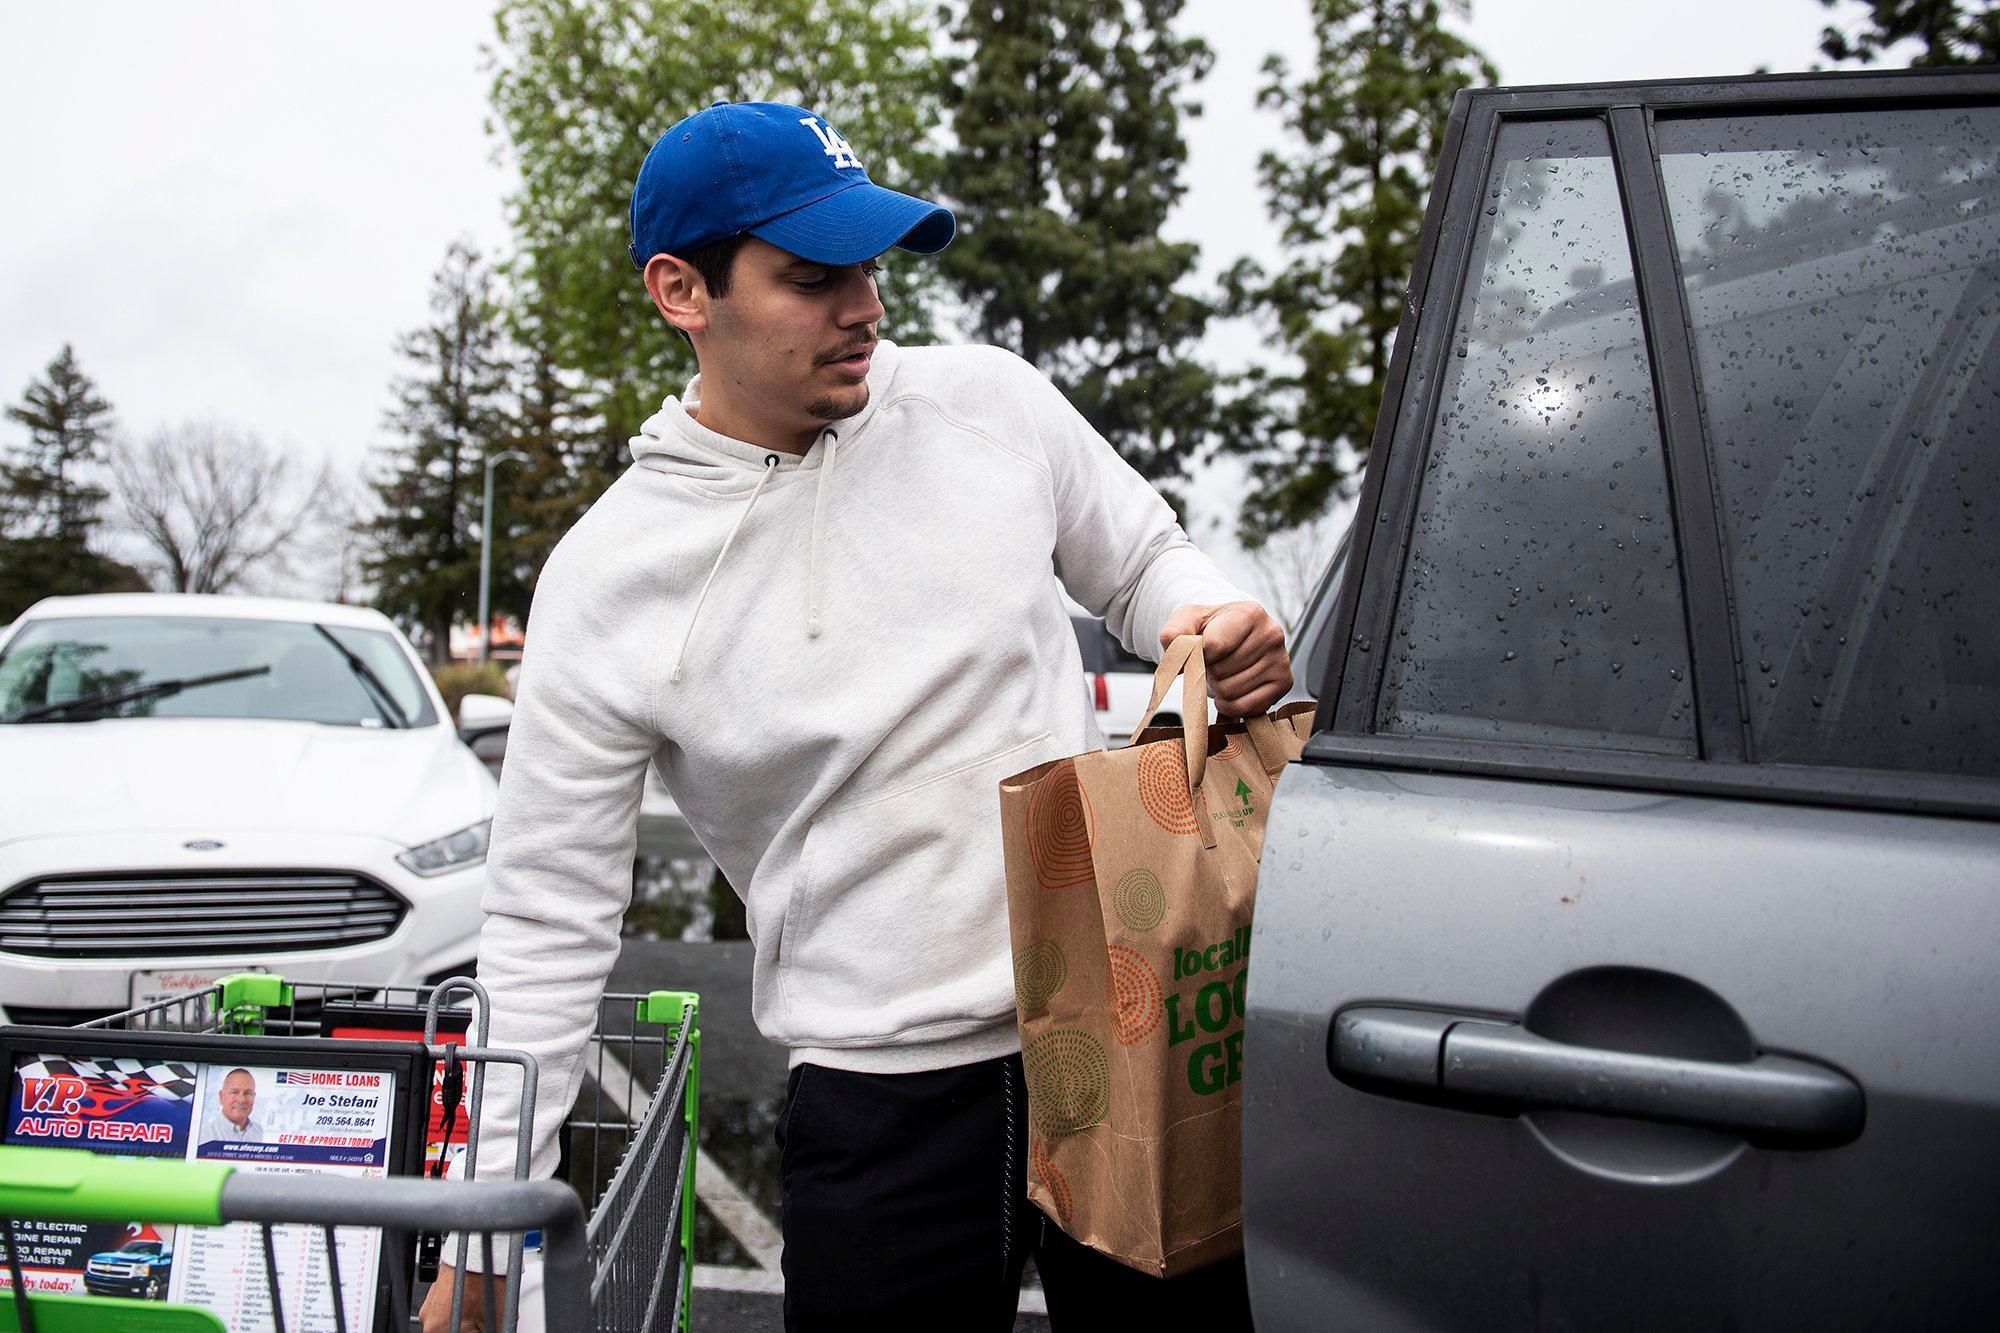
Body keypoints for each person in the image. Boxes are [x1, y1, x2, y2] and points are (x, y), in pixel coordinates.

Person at [423, 100, 1290, 1330]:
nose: (866, 307)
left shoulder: (988, 403)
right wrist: (485, 1215)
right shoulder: (606, 580)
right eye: (813, 276)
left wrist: (1203, 618)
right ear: (682, 291)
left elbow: (1144, 556)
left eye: (871, 268)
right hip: (878, 1100)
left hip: (1116, 1032)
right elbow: (546, 914)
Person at [201, 1068, 260, 1142]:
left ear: (254, 1097)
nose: (241, 1100)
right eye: (234, 1092)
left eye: (247, 1093)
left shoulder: (259, 1131)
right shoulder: (205, 1137)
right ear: (221, 1097)